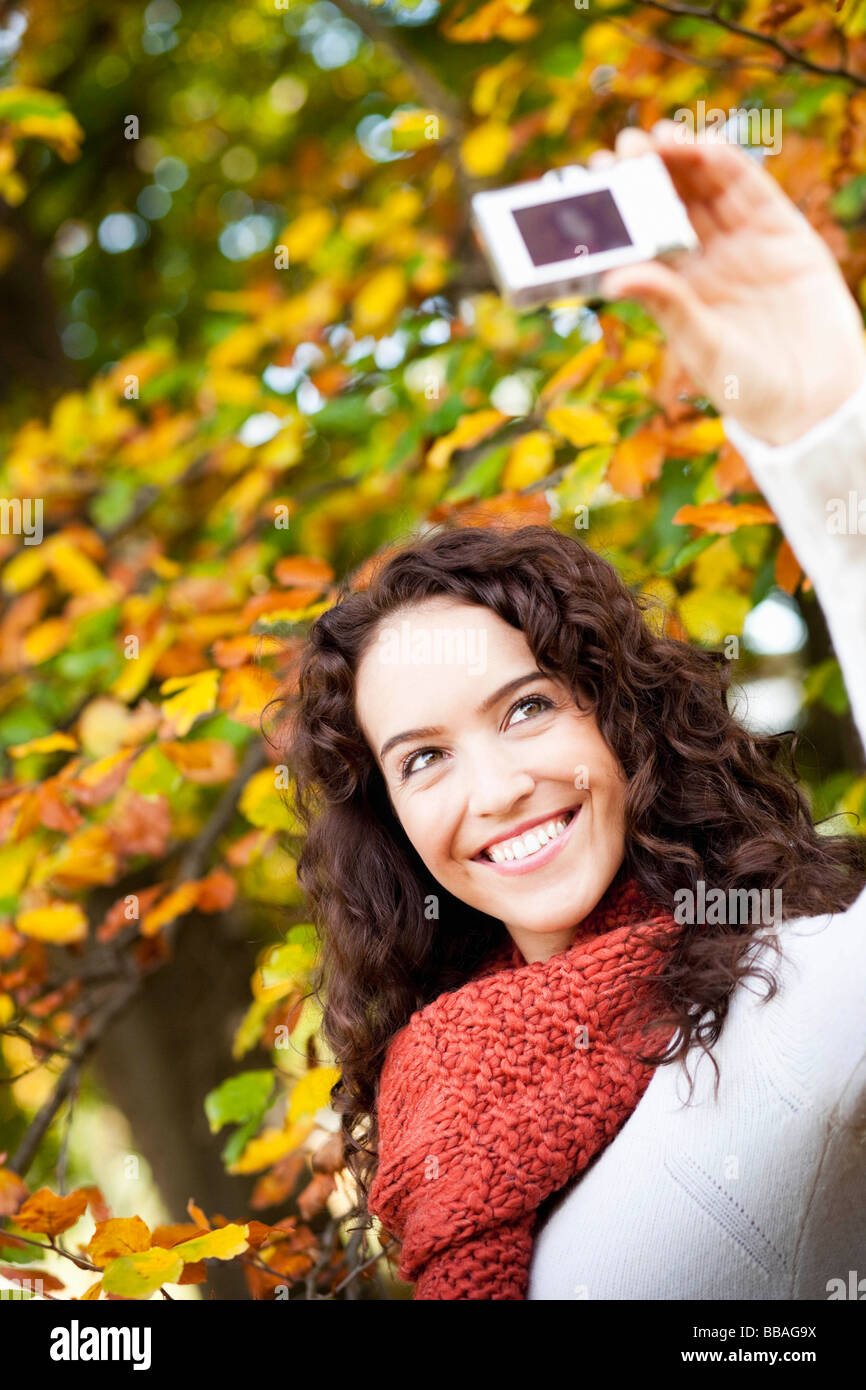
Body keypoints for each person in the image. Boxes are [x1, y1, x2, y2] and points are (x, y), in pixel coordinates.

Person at [286, 122, 866, 1300]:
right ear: (390, 817)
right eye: (423, 758)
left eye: (526, 708)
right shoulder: (436, 1084)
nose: (494, 791)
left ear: (618, 720)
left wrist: (826, 437)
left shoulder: (800, 984)